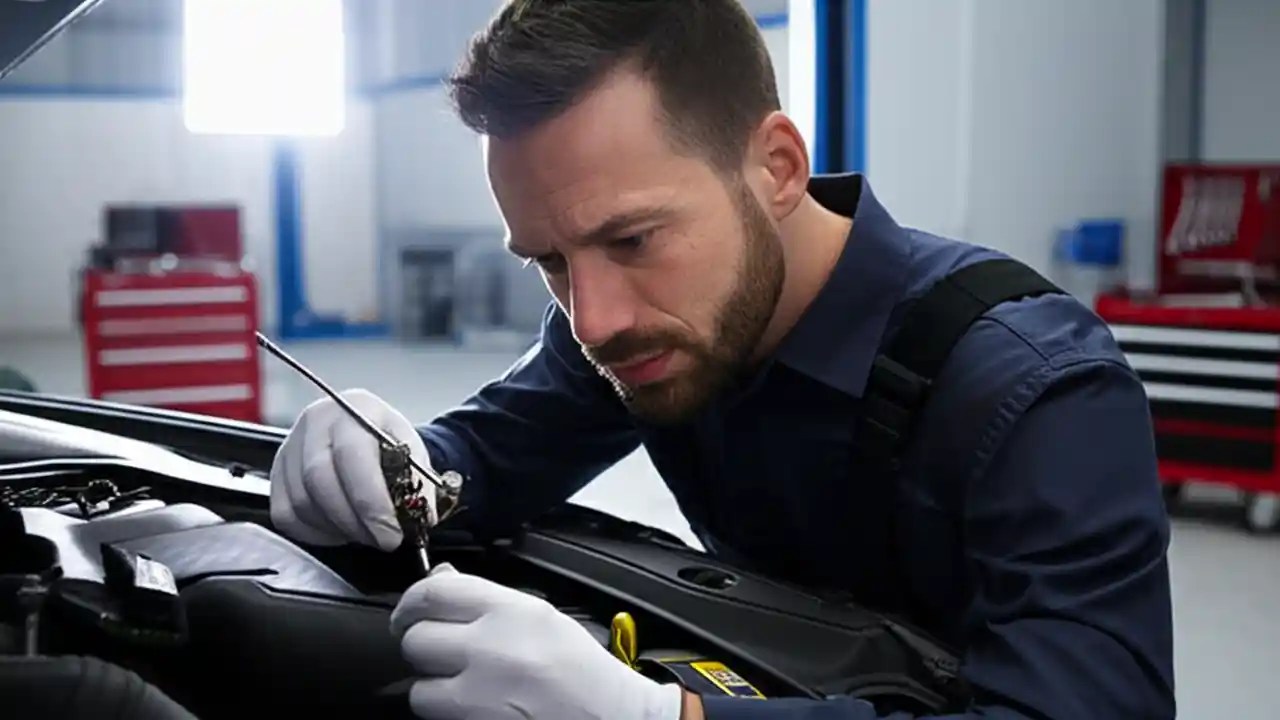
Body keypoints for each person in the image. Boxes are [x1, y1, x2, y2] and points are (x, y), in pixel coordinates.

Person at [268, 1, 1175, 718]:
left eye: (631, 238)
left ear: (777, 167)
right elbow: (486, 456)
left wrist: (663, 719)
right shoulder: (643, 325)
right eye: (549, 260)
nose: (593, 319)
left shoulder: (1037, 395)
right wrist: (390, 462)